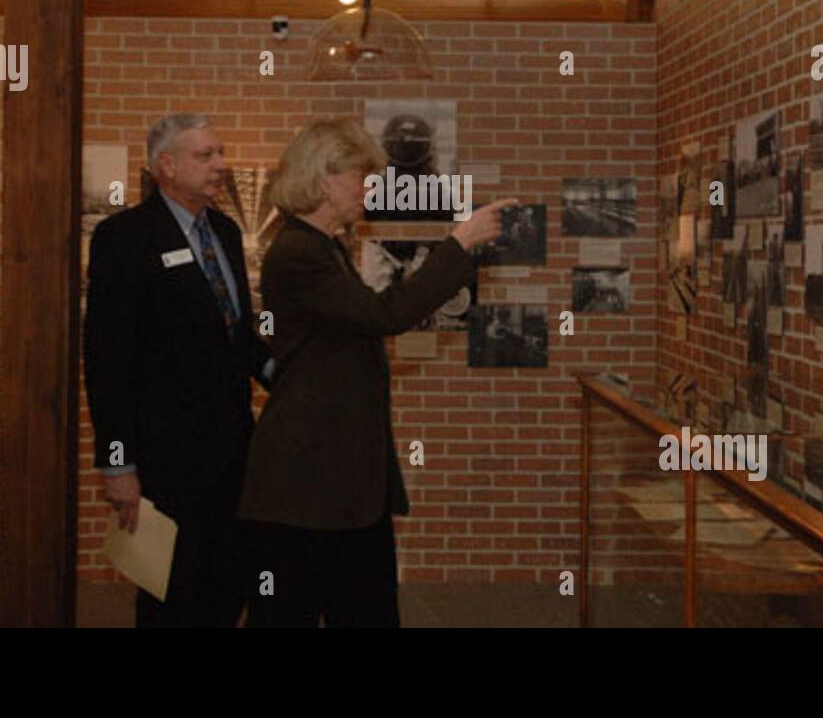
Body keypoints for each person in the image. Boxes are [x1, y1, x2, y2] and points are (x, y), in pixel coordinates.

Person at [238, 118, 513, 627]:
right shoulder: (299, 252)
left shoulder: (324, 247)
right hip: (305, 485)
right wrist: (457, 243)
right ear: (324, 180)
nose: (372, 188)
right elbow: (382, 316)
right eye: (362, 178)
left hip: (340, 481)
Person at [83, 113, 271, 628]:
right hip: (164, 457)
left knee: (229, 582)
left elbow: (237, 337)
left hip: (233, 451)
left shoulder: (227, 233)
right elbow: (107, 359)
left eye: (221, 153)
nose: (220, 165)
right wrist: (117, 466)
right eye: (205, 155)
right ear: (166, 166)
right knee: (172, 595)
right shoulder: (125, 238)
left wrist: (287, 373)